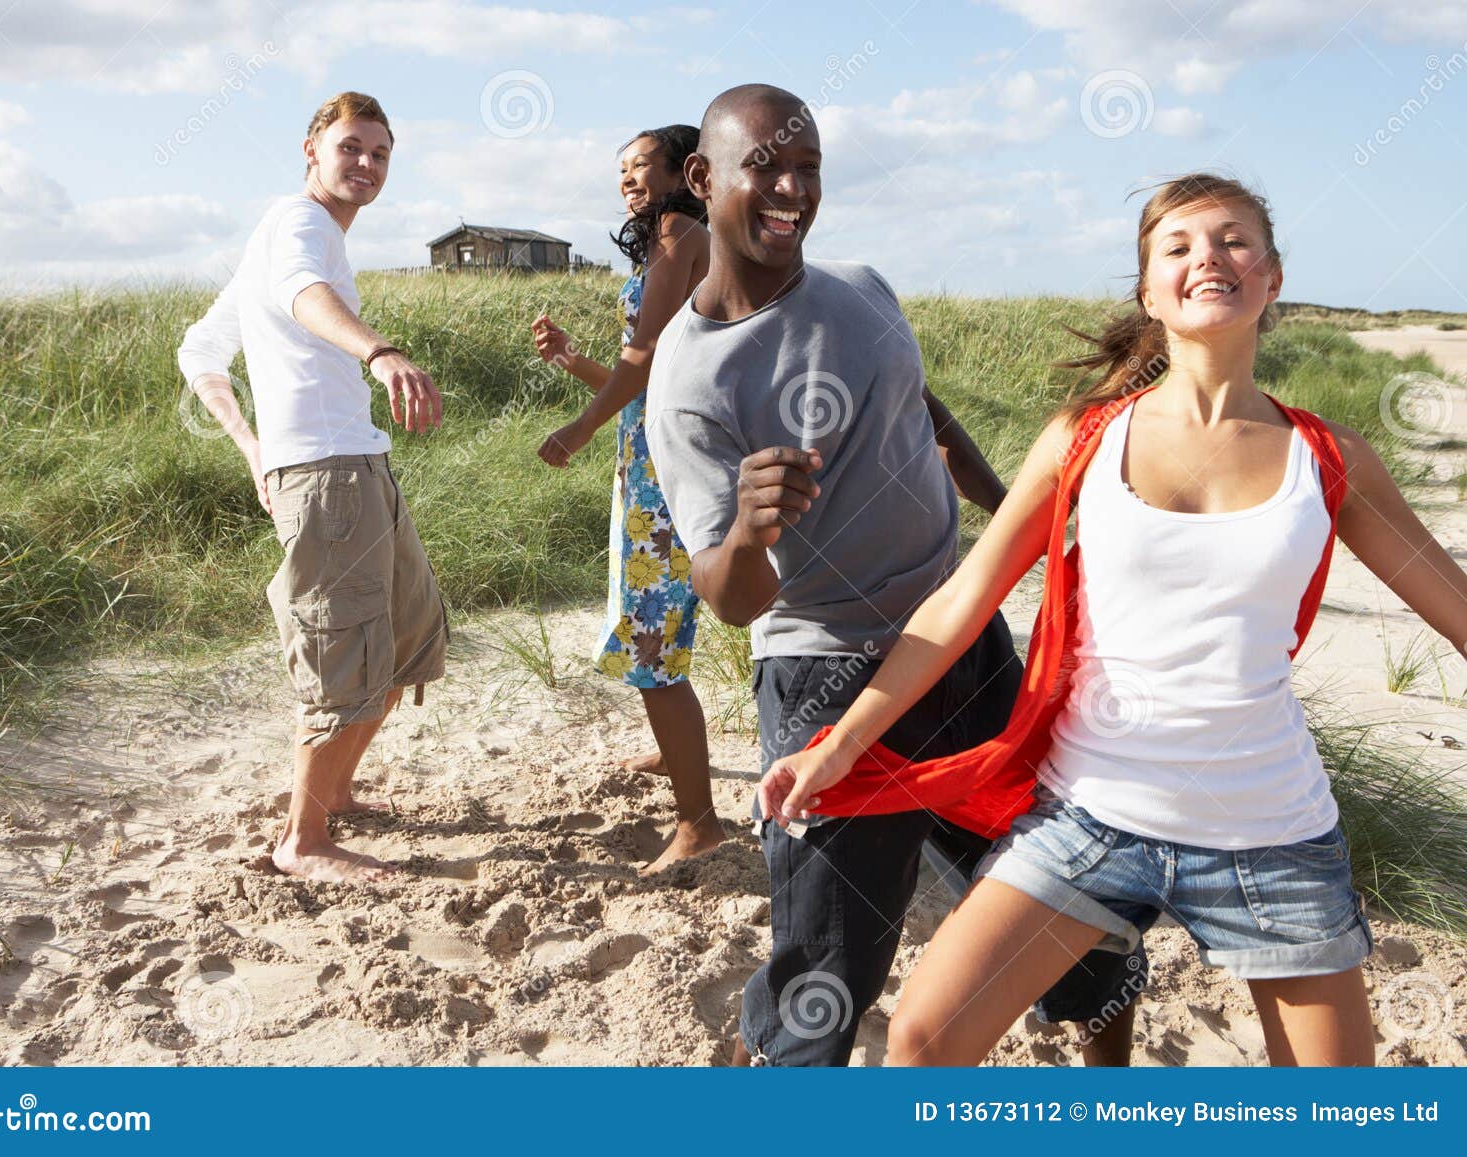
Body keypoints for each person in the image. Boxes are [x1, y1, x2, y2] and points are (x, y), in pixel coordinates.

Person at [764, 172, 1467, 1067]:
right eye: (1178, 246)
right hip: (1090, 814)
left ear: (1274, 278)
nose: (1208, 256)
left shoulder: (1329, 458)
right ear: (1149, 291)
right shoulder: (1083, 440)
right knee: (924, 1037)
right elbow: (958, 603)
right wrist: (840, 743)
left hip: (1270, 830)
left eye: (1233, 240)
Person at [646, 83, 1144, 1066]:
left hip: (965, 643)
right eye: (765, 167)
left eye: (809, 168)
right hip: (829, 681)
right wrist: (750, 529)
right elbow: (736, 597)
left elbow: (927, 414)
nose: (791, 189)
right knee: (827, 976)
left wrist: (1014, 517)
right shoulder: (690, 378)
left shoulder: (863, 287)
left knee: (1078, 897)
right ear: (703, 179)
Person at [177, 92, 447, 886]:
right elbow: (304, 295)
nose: (366, 164)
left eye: (380, 153)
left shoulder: (294, 233)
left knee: (404, 641)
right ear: (311, 149)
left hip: (354, 465)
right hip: (329, 477)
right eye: (350, 148)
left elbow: (200, 350)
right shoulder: (298, 226)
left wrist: (252, 446)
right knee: (343, 662)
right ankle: (305, 838)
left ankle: (334, 791)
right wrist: (380, 351)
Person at [529, 125, 721, 874]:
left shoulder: (679, 230)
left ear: (687, 169)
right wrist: (576, 362)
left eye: (641, 165)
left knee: (652, 638)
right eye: (621, 170)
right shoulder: (667, 240)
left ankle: (699, 822)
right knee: (657, 626)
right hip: (648, 456)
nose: (627, 179)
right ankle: (681, 753)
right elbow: (641, 378)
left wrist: (576, 432)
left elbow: (641, 364)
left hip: (666, 468)